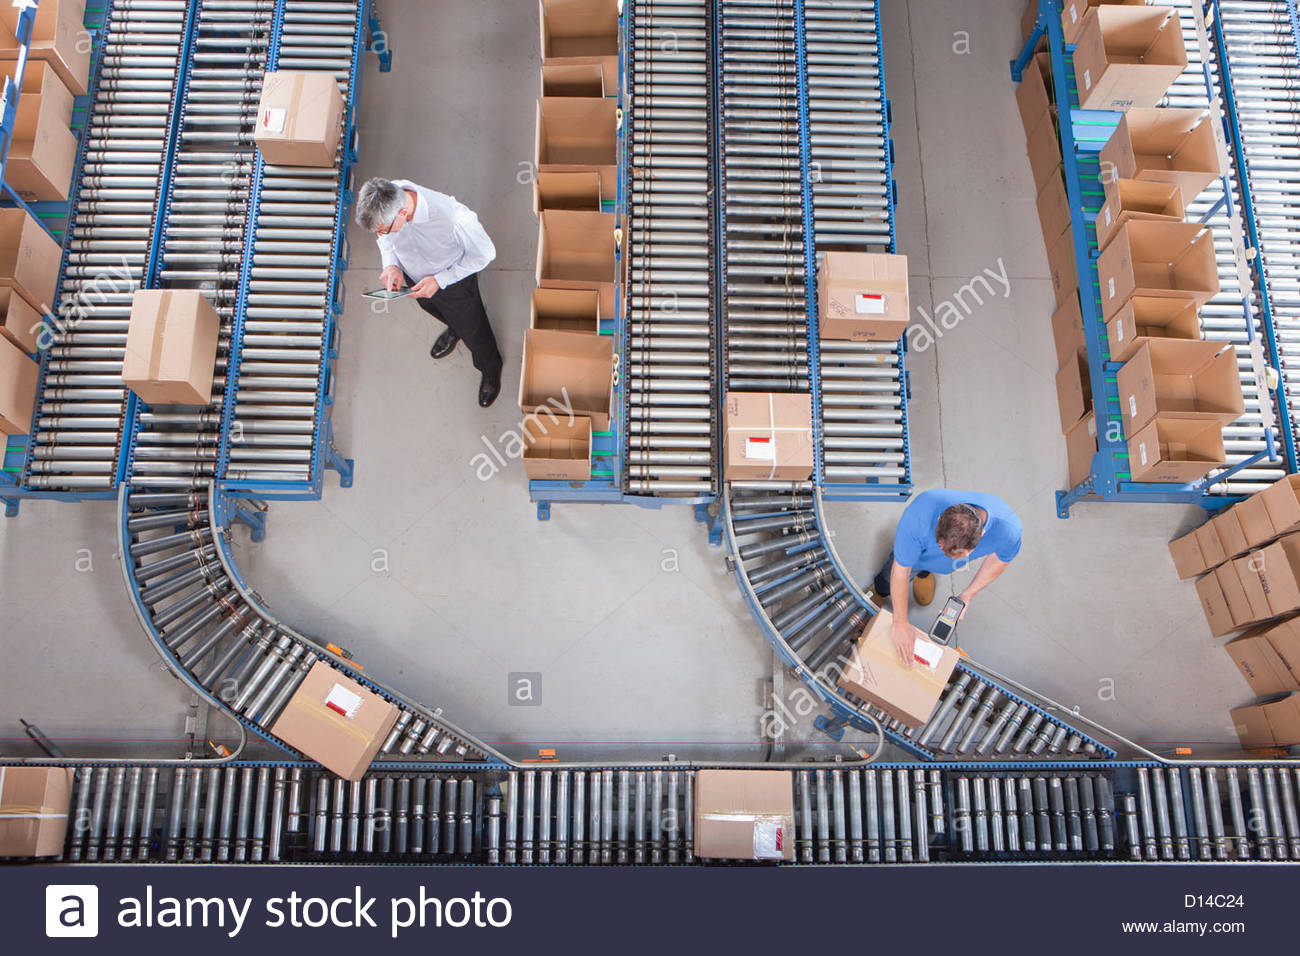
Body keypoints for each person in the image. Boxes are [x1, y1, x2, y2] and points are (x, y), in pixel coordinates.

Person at [354, 177, 503, 407]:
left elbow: (484, 254)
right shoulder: (390, 196)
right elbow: (385, 240)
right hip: (418, 280)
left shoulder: (452, 217)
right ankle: (455, 328)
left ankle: (490, 368)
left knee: (474, 330)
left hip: (453, 282)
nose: (382, 234)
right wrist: (391, 264)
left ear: (403, 212)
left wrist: (440, 280)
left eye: (385, 229)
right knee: (431, 307)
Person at [867, 489, 1022, 667]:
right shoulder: (920, 513)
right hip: (915, 556)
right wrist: (900, 622)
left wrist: (968, 595)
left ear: (981, 536)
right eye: (941, 547)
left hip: (936, 565)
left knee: (930, 565)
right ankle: (879, 590)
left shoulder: (1009, 530)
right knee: (888, 579)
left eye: (957, 555)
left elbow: (1001, 558)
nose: (945, 554)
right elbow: (901, 570)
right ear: (940, 519)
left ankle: (925, 574)